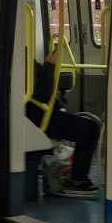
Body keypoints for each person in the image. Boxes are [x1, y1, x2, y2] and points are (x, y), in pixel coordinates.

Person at [28, 51, 100, 198]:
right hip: (40, 117)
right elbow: (43, 93)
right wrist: (49, 66)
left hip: (45, 113)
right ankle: (78, 180)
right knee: (89, 128)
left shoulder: (26, 62)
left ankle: (78, 176)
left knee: (90, 126)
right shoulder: (24, 64)